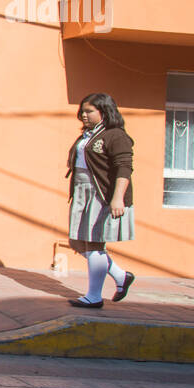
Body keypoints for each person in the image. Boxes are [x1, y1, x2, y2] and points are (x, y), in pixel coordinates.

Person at [65, 92, 136, 308]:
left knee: (95, 243)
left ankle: (94, 296)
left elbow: (124, 168)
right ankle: (121, 276)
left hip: (101, 194)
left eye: (89, 111)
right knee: (77, 242)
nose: (83, 115)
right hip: (82, 192)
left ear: (104, 111)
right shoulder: (87, 135)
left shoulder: (115, 135)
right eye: (82, 111)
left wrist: (117, 199)